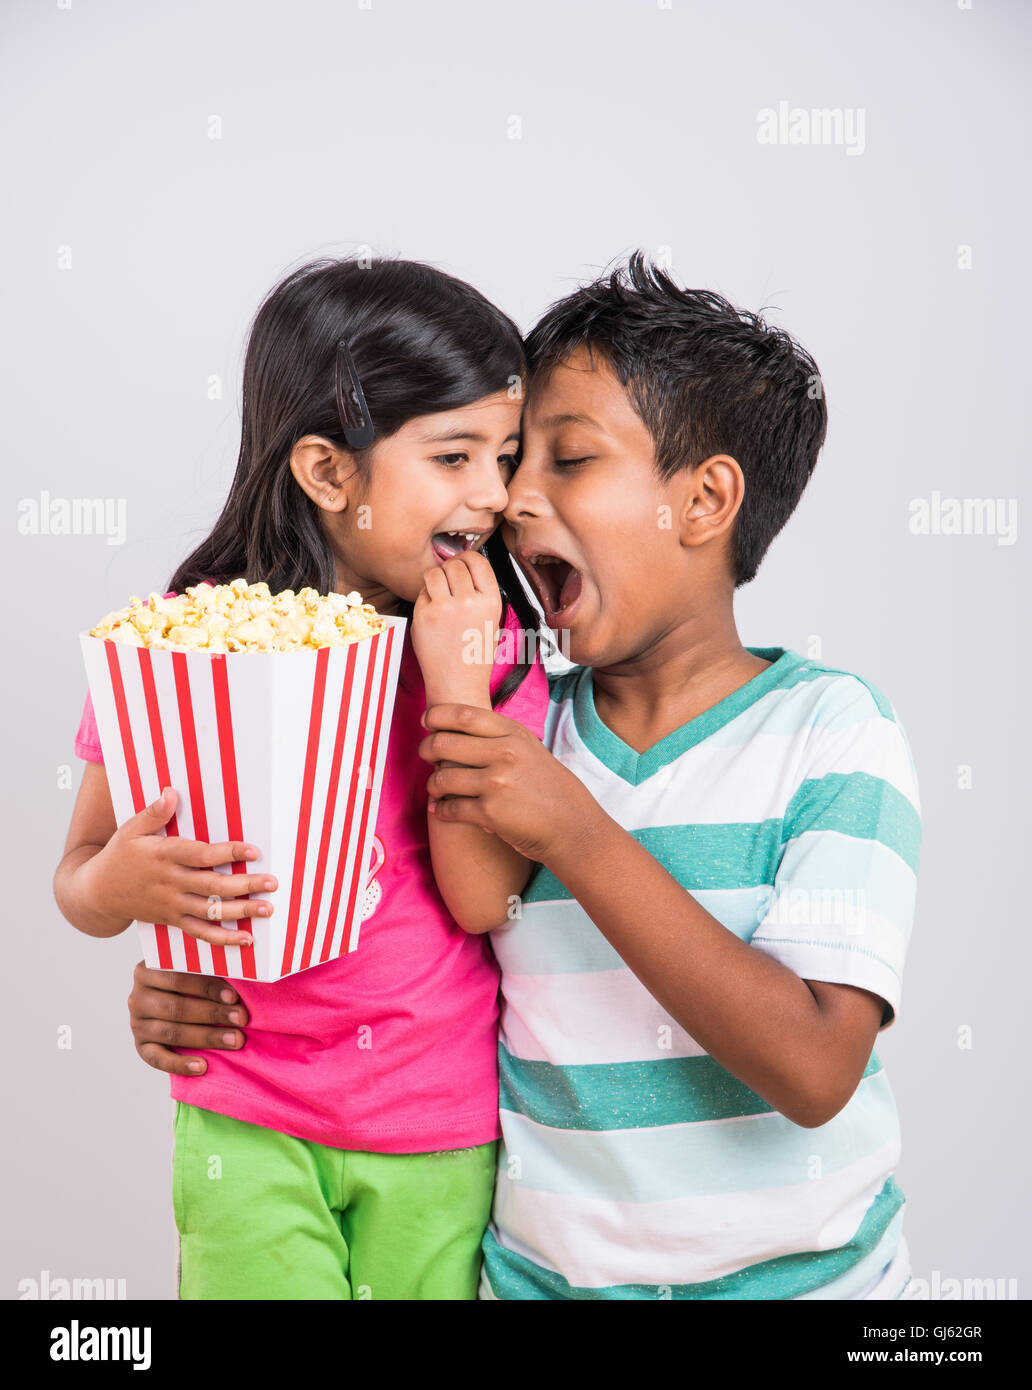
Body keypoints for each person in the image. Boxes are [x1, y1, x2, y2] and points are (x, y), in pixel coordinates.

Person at [417, 254, 922, 1300]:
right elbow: (400, 950)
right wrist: (198, 996)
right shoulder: (518, 722)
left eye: (570, 459)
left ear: (704, 502)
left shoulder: (832, 733)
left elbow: (816, 1067)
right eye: (518, 460)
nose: (513, 497)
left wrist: (581, 834)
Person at [53, 256, 550, 1300]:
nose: (496, 495)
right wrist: (121, 888)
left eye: (504, 456)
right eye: (454, 455)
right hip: (246, 1109)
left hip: (440, 1120)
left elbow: (481, 896)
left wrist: (455, 686)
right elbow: (81, 872)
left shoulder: (488, 646)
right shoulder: (192, 641)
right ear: (328, 473)